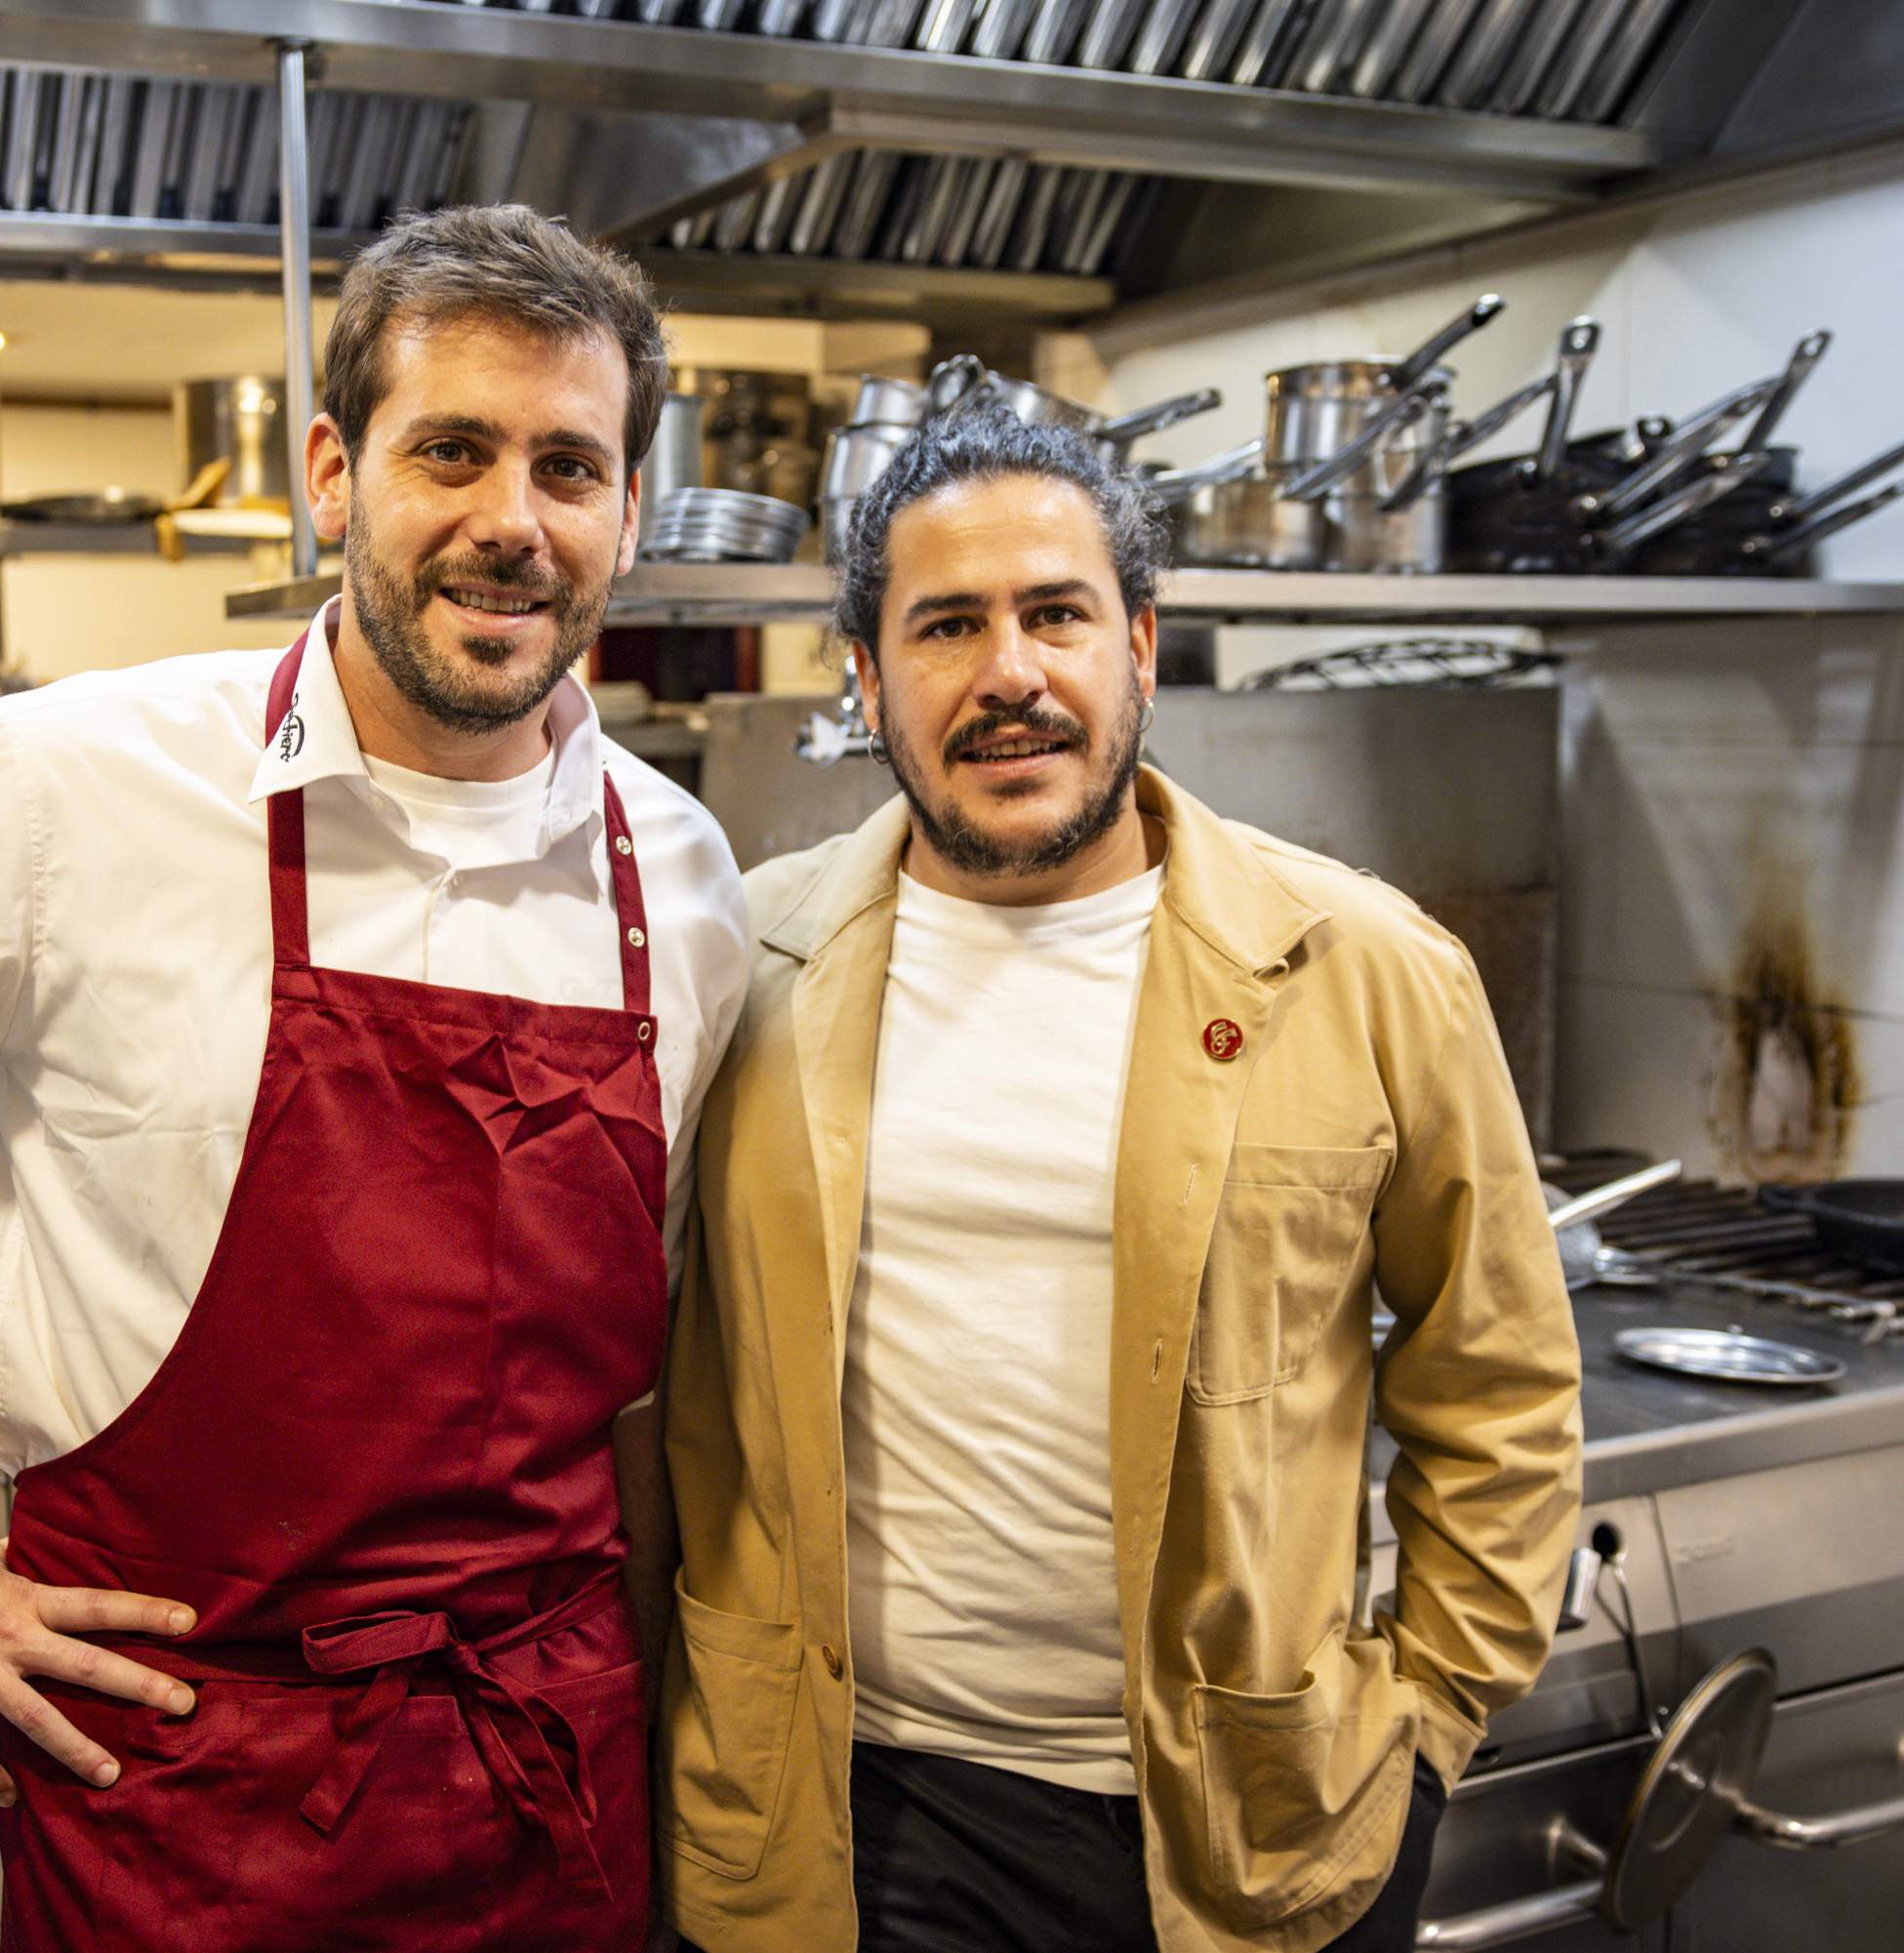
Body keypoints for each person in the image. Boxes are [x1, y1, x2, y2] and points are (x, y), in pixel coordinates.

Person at [0, 204, 749, 1952]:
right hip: (182, 1791)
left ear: (629, 516)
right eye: (453, 449)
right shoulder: (57, 789)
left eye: (569, 467)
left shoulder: (684, 877)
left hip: (549, 1785)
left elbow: (632, 1391)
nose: (513, 521)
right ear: (333, 474)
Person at [656, 407, 1581, 1953]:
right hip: (851, 1818)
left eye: (1057, 615)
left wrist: (1422, 1724)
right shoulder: (740, 959)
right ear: (867, 680)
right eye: (946, 624)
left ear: (1141, 647)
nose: (1009, 672)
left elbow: (1501, 1385)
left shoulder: (1364, 970)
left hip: (1249, 1826)